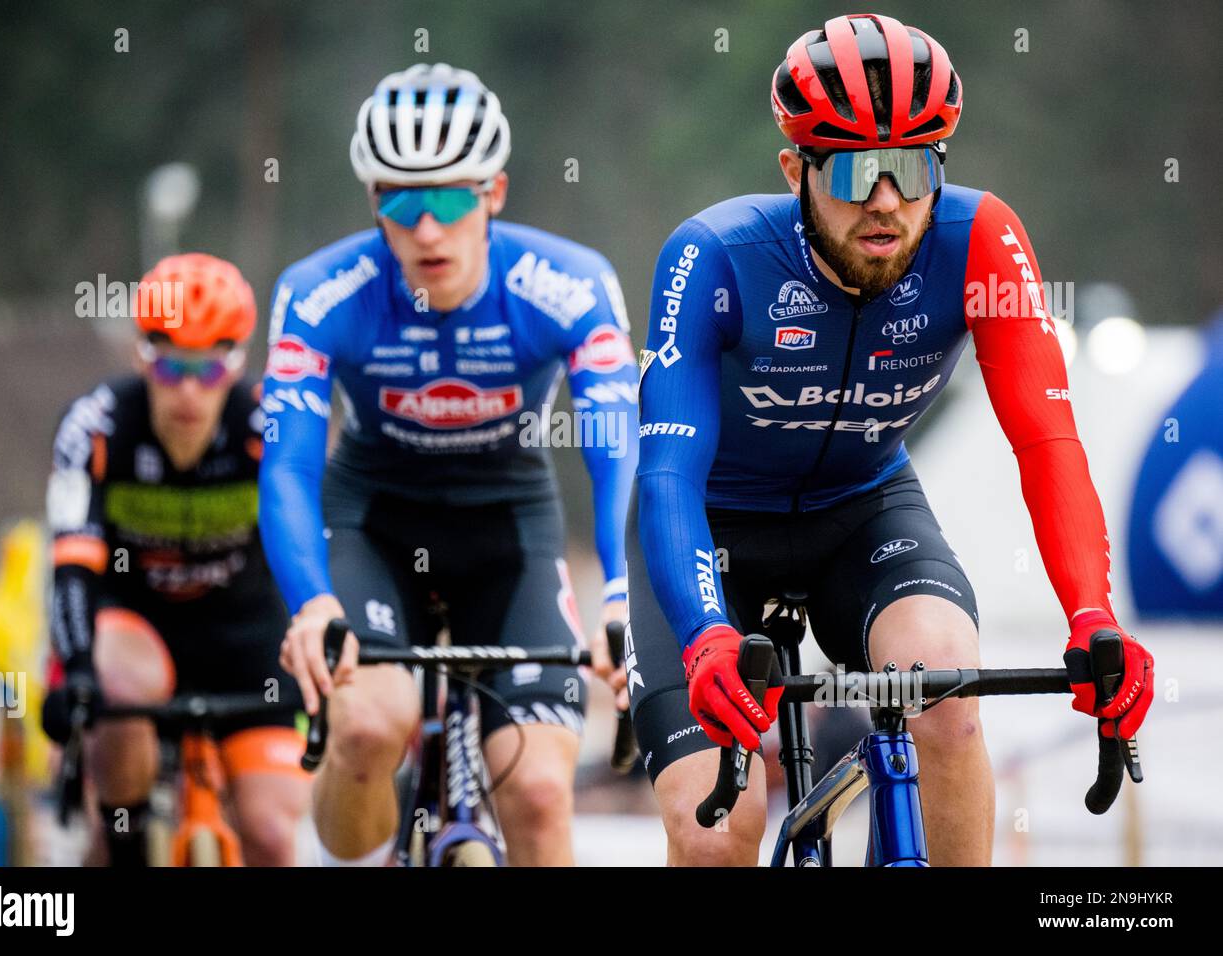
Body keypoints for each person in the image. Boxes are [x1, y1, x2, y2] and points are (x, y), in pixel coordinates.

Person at [626, 13, 1153, 866]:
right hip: (710, 531)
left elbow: (1048, 442)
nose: (884, 199)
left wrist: (1094, 617)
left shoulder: (981, 241)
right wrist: (703, 636)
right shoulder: (716, 255)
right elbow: (670, 475)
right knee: (715, 830)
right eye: (853, 168)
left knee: (947, 691)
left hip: (861, 514)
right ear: (796, 170)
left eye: (911, 168)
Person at [259, 63, 638, 866]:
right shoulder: (320, 292)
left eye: (452, 199)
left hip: (508, 523)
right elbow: (289, 468)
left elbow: (616, 449)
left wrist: (618, 591)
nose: (427, 228)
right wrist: (313, 601)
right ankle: (354, 833)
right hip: (374, 522)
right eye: (401, 200)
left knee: (538, 792)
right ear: (374, 205)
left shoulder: (568, 284)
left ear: (494, 193)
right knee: (365, 727)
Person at [44, 253, 310, 866]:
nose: (189, 390)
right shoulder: (96, 426)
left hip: (246, 637)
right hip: (137, 627)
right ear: (142, 357)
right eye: (170, 366)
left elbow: (314, 549)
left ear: (237, 365)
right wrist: (77, 668)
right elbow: (70, 569)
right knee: (120, 693)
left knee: (271, 834)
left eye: (210, 369)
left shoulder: (269, 426)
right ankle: (127, 838)